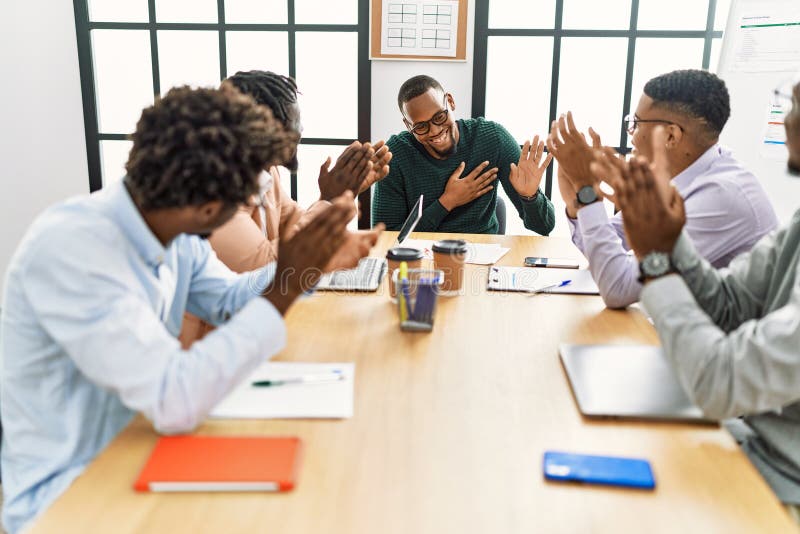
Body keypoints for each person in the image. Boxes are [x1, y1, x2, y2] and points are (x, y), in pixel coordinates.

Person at [0, 85, 381, 533]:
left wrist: (303, 269)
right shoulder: (75, 252)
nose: (253, 202)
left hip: (142, 448)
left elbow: (228, 302)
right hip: (72, 493)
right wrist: (283, 283)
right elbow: (173, 397)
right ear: (207, 208)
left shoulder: (169, 230)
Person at [590, 77, 800, 521]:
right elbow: (727, 304)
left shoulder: (725, 191)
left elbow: (719, 382)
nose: (788, 120)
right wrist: (667, 242)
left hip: (784, 483)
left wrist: (657, 260)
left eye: (796, 104)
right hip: (751, 439)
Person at [179, 70, 391, 347]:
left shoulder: (268, 175)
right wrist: (330, 200)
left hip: (255, 327)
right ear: (262, 130)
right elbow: (266, 265)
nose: (301, 129)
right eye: (293, 120)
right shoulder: (214, 191)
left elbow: (295, 226)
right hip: (212, 346)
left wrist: (337, 195)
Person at [548, 69, 777, 308]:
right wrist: (578, 201)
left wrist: (587, 189)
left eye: (635, 123)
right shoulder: (681, 177)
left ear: (671, 135)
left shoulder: (723, 196)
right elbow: (610, 243)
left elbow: (617, 287)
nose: (631, 135)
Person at [372, 74, 555, 235]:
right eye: (421, 127)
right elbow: (385, 238)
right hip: (421, 258)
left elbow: (544, 227)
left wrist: (530, 197)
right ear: (408, 125)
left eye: (439, 117)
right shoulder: (395, 155)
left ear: (450, 102)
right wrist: (446, 202)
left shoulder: (492, 138)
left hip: (483, 253)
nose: (435, 130)